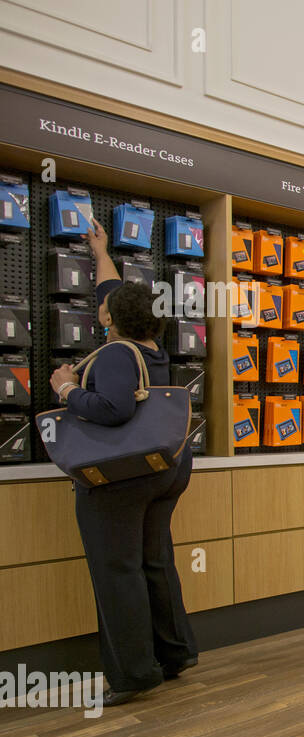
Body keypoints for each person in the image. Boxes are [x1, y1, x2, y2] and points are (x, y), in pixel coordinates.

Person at [48, 219, 197, 706]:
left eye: (103, 308)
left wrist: (66, 388)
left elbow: (114, 410)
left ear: (111, 320)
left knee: (118, 570)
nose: (100, 307)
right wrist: (100, 251)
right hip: (165, 470)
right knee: (155, 561)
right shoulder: (149, 345)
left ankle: (133, 674)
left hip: (120, 479)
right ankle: (174, 654)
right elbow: (115, 292)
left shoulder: (114, 353)